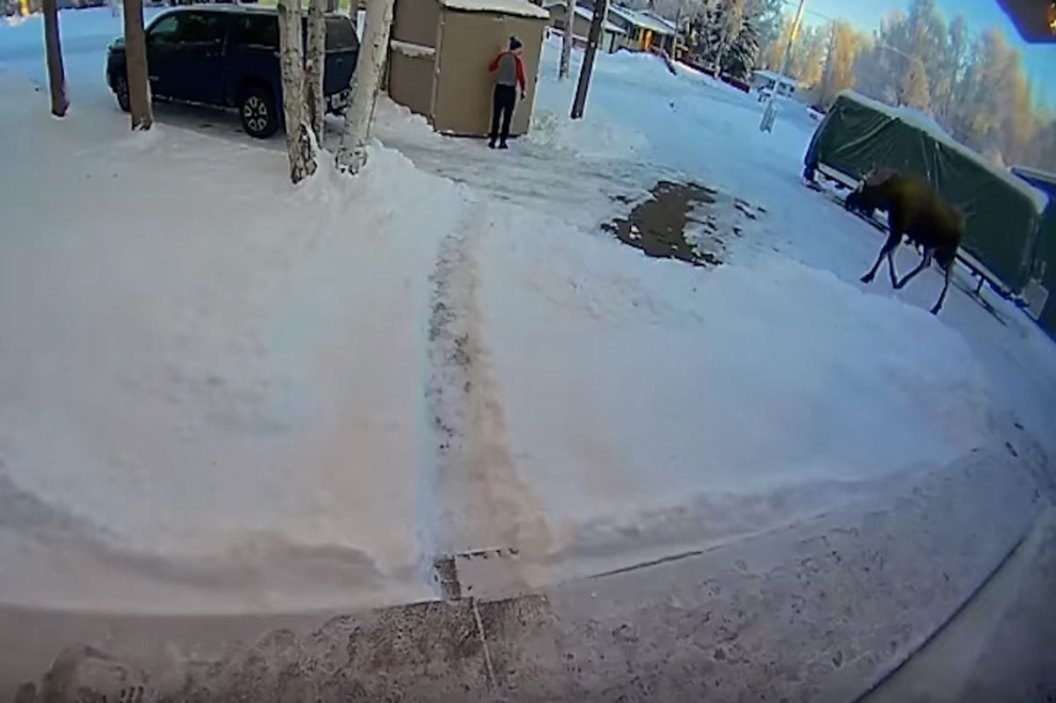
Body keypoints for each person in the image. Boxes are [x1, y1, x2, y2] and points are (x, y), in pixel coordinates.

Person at [488, 37, 527, 149]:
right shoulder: (517, 61)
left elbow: (491, 68)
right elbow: (521, 77)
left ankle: (493, 140)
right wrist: (523, 90)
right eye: (519, 50)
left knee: (496, 115)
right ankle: (502, 141)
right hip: (510, 91)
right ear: (515, 49)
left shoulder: (501, 57)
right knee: (507, 117)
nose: (520, 52)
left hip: (499, 88)